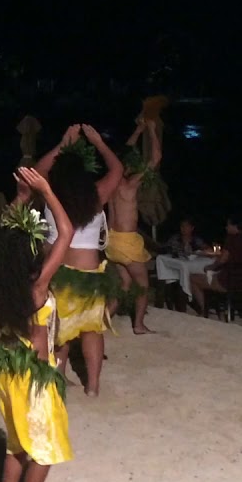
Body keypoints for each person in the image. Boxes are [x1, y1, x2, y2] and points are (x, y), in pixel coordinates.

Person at [0, 166, 74, 482]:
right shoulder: (36, 287)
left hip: (9, 372)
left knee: (17, 444)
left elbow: (3, 237)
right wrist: (47, 192)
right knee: (45, 450)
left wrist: (21, 197)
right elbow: (66, 232)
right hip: (34, 375)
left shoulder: (4, 281)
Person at [34, 123, 123, 397]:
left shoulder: (51, 196)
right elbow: (117, 170)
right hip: (90, 276)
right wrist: (98, 141)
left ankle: (58, 383)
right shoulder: (97, 195)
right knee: (92, 331)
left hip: (58, 274)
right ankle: (93, 388)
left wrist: (63, 142)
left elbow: (37, 171)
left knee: (59, 333)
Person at [105, 117, 162, 334]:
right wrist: (153, 129)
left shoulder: (110, 184)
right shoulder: (129, 185)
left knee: (124, 286)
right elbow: (156, 158)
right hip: (127, 243)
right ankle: (138, 325)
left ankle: (101, 322)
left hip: (113, 241)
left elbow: (125, 153)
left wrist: (138, 131)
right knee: (143, 286)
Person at [189, 213, 242, 317]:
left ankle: (203, 310)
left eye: (228, 225)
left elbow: (222, 260)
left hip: (227, 283)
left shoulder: (231, 239)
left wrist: (210, 267)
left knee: (193, 278)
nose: (226, 227)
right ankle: (218, 306)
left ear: (235, 226)